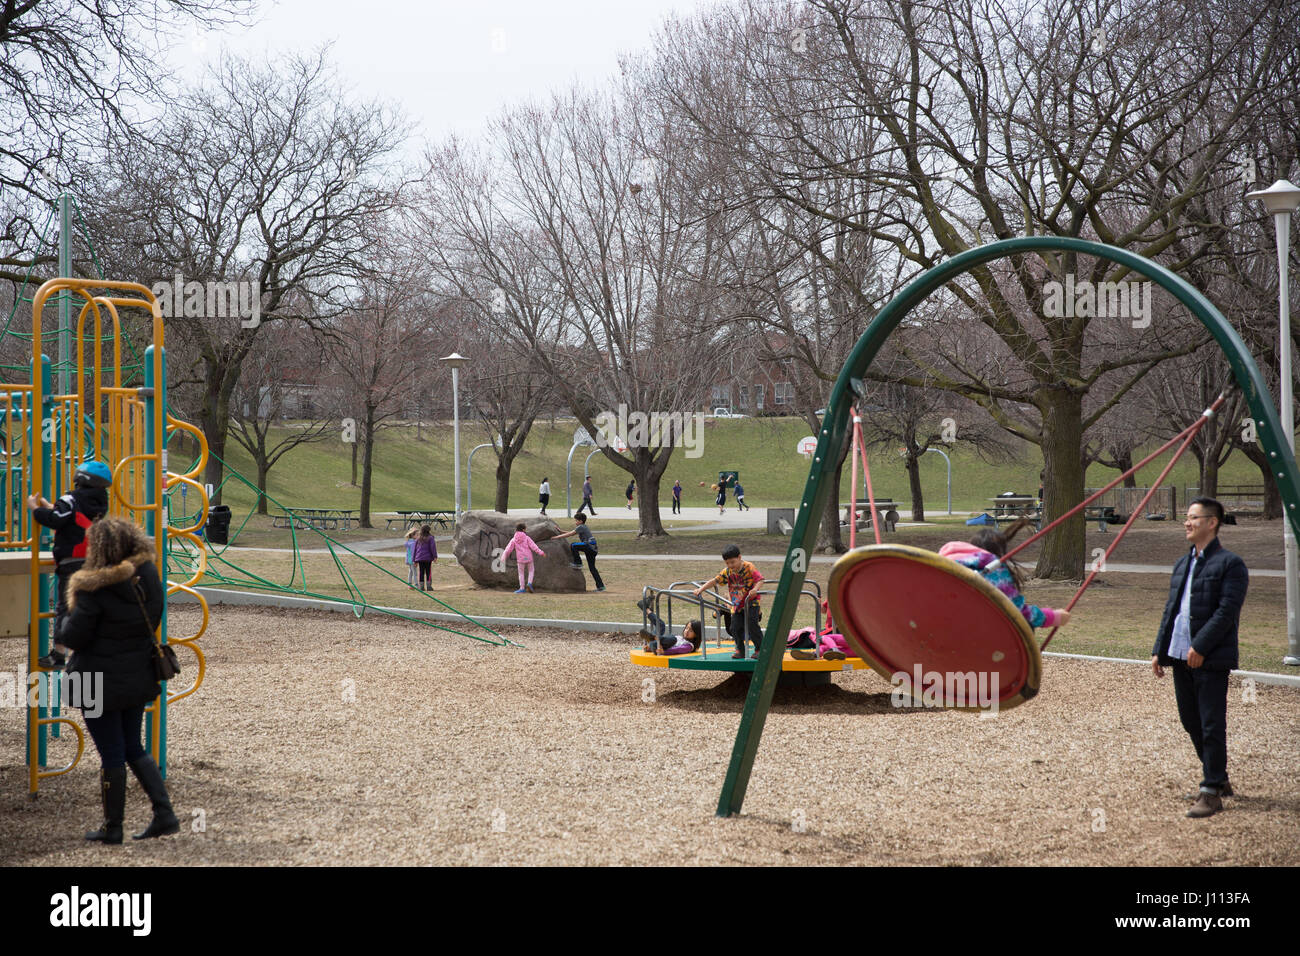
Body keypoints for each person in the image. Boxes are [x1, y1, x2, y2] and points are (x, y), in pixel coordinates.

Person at [59, 517, 178, 843]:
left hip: (96, 682)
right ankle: (164, 813)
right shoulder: (148, 575)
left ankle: (114, 828)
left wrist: (63, 604)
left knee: (112, 753)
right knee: (131, 745)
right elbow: (152, 618)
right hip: (136, 675)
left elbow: (72, 636)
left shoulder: (94, 587)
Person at [1152, 497, 1248, 819]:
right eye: (1186, 518)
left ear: (1212, 522)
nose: (1187, 522)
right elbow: (1172, 610)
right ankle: (1217, 776)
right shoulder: (1183, 563)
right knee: (1190, 721)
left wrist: (1202, 647)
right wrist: (1159, 650)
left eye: (1193, 517)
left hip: (1210, 658)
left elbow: (1226, 612)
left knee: (1210, 724)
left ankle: (1211, 791)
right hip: (1179, 655)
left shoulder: (1230, 564)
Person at [28, 459, 112, 669]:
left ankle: (58, 653)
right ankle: (87, 649)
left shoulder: (70, 498)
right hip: (92, 560)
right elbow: (73, 518)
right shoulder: (101, 503)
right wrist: (52, 507)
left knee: (65, 606)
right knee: (86, 605)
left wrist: (36, 510)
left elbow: (57, 520)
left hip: (71, 560)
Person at [937, 519, 1072, 630]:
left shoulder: (940, 567)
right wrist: (1054, 617)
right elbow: (1018, 614)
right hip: (982, 643)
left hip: (938, 636)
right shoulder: (993, 571)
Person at [693, 545, 764, 659]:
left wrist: (755, 589)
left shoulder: (749, 567)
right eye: (727, 563)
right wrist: (701, 589)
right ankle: (740, 650)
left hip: (751, 602)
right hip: (736, 604)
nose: (731, 565)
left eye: (733, 562)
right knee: (734, 628)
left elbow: (760, 580)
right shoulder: (727, 571)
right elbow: (715, 581)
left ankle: (760, 649)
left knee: (752, 625)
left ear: (739, 557)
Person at [553, 513, 605, 591]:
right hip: (593, 549)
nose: (575, 522)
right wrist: (560, 531)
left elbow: (570, 534)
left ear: (581, 521)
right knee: (592, 569)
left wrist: (556, 537)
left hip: (589, 547)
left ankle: (578, 563)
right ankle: (601, 586)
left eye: (576, 520)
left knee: (573, 545)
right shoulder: (582, 527)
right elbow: (571, 532)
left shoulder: (581, 527)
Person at [501, 522, 545, 594]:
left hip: (520, 559)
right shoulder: (527, 538)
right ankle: (529, 583)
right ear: (523, 530)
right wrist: (541, 553)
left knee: (521, 573)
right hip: (528, 557)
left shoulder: (514, 539)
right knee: (531, 570)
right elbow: (534, 546)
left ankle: (522, 588)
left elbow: (508, 549)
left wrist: (503, 557)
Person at [412, 525, 437, 590]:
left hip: (420, 558)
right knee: (428, 572)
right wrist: (435, 556)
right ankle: (429, 586)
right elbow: (433, 548)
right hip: (428, 558)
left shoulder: (418, 538)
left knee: (421, 572)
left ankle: (421, 587)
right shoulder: (430, 538)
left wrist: (414, 560)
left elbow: (414, 549)